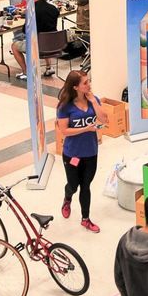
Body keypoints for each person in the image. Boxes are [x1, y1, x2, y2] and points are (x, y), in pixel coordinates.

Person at [54, 68, 108, 231]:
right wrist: (86, 129)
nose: (89, 85)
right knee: (73, 184)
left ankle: (85, 218)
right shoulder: (65, 106)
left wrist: (93, 102)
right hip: (72, 154)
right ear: (75, 87)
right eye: (85, 83)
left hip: (91, 152)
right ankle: (67, 197)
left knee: (86, 186)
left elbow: (104, 119)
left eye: (89, 81)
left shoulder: (93, 99)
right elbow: (64, 131)